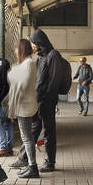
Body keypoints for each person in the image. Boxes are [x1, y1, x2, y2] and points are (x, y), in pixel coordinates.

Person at [27, 30, 71, 175]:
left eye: (33, 42)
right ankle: (25, 158)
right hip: (39, 101)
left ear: (39, 42)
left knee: (49, 132)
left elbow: (54, 81)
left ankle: (50, 162)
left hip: (47, 102)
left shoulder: (53, 55)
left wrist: (46, 101)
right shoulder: (40, 58)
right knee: (37, 130)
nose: (32, 46)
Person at [5, 38, 46, 179]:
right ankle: (30, 165)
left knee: (27, 137)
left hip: (25, 106)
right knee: (27, 137)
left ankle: (32, 167)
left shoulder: (28, 64)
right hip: (27, 105)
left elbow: (20, 83)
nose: (15, 51)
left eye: (16, 49)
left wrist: (12, 73)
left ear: (21, 49)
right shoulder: (28, 63)